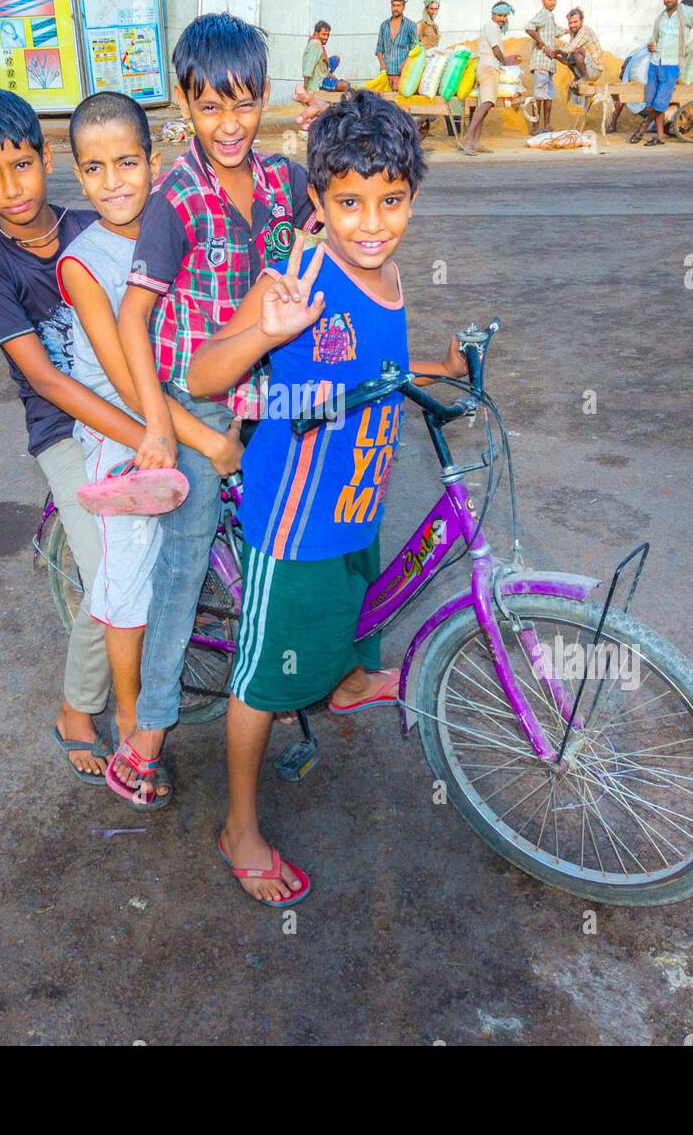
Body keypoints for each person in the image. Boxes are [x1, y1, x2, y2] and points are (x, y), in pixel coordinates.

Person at [185, 90, 470, 905]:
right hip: (295, 521)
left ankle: (344, 679)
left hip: (358, 501)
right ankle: (240, 827)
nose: (371, 222)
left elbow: (375, 363)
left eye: (391, 201)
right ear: (319, 202)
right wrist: (266, 334)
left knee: (356, 605)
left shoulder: (390, 270)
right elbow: (205, 373)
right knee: (262, 684)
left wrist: (439, 368)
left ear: (413, 195)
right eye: (349, 202)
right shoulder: (301, 271)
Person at [113, 12, 319, 805]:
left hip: (263, 393)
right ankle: (149, 732)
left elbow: (319, 251)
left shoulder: (283, 181)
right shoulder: (176, 199)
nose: (228, 125)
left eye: (243, 105)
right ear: (184, 102)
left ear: (264, 97)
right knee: (184, 559)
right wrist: (162, 426)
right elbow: (133, 319)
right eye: (210, 107)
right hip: (189, 395)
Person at [0, 87, 152, 784]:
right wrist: (151, 431)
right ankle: (77, 709)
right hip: (64, 428)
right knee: (111, 574)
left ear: (47, 159)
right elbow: (47, 379)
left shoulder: (88, 224)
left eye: (23, 165)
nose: (12, 188)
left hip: (132, 400)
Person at [55, 91, 244, 806]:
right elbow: (131, 383)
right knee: (130, 577)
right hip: (122, 430)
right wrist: (202, 439)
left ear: (153, 162)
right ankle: (133, 720)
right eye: (96, 169)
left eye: (128, 163)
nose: (115, 182)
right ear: (78, 174)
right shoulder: (83, 263)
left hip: (184, 405)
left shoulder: (173, 217)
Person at [636, 0, 693, 148]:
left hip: (671, 64)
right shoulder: (661, 17)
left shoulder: (687, 14)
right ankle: (659, 137)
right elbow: (655, 37)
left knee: (660, 102)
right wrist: (651, 44)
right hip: (656, 62)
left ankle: (643, 128)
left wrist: (687, 49)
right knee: (651, 102)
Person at [460, 0, 520, 156]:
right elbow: (495, 50)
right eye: (499, 15)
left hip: (486, 68)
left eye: (505, 16)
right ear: (493, 14)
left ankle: (476, 142)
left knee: (484, 106)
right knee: (486, 104)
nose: (502, 18)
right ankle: (467, 138)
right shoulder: (492, 27)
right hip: (488, 69)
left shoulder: (493, 28)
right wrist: (505, 61)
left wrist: (506, 58)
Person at [524, 0, 561, 135]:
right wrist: (542, 44)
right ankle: (535, 127)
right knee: (539, 95)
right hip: (541, 61)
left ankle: (546, 125)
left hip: (549, 63)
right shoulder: (543, 14)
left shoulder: (550, 17)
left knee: (548, 95)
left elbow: (555, 31)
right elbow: (529, 27)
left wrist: (568, 30)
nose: (552, 2)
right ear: (543, 0)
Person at [559, 7, 604, 105]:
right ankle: (578, 77)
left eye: (575, 22)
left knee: (575, 50)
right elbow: (567, 57)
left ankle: (584, 77)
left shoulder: (585, 30)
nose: (572, 25)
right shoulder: (573, 34)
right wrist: (556, 55)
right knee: (568, 55)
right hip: (587, 68)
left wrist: (556, 51)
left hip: (595, 69)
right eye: (570, 23)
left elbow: (571, 47)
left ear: (582, 21)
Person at [375, 0, 418, 90]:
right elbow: (379, 48)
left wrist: (405, 63)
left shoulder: (411, 25)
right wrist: (382, 64)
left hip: (402, 73)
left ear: (403, 7)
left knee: (398, 100)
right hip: (386, 72)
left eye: (398, 6)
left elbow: (415, 49)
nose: (395, 8)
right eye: (393, 5)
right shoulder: (384, 25)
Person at [301, 20, 348, 93]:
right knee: (345, 86)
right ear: (316, 33)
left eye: (328, 35)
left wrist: (328, 73)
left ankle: (330, 75)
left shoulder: (316, 42)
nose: (326, 37)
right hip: (319, 81)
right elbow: (308, 68)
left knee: (336, 58)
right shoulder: (316, 44)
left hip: (322, 70)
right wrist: (306, 87)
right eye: (323, 34)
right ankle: (329, 83)